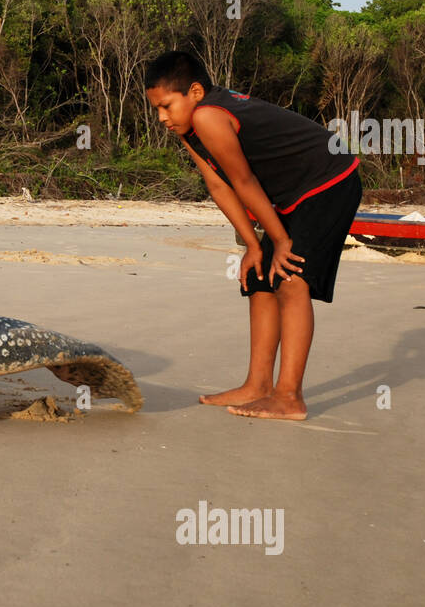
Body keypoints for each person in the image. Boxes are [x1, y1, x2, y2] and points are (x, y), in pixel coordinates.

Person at [145, 51, 361, 420]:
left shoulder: (209, 116)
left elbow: (244, 180)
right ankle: (258, 386)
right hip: (293, 192)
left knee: (290, 280)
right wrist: (251, 245)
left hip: (330, 181)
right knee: (260, 278)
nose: (162, 117)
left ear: (195, 92)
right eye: (157, 110)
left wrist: (280, 241)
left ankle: (289, 397)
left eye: (166, 106)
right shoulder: (189, 128)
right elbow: (219, 184)